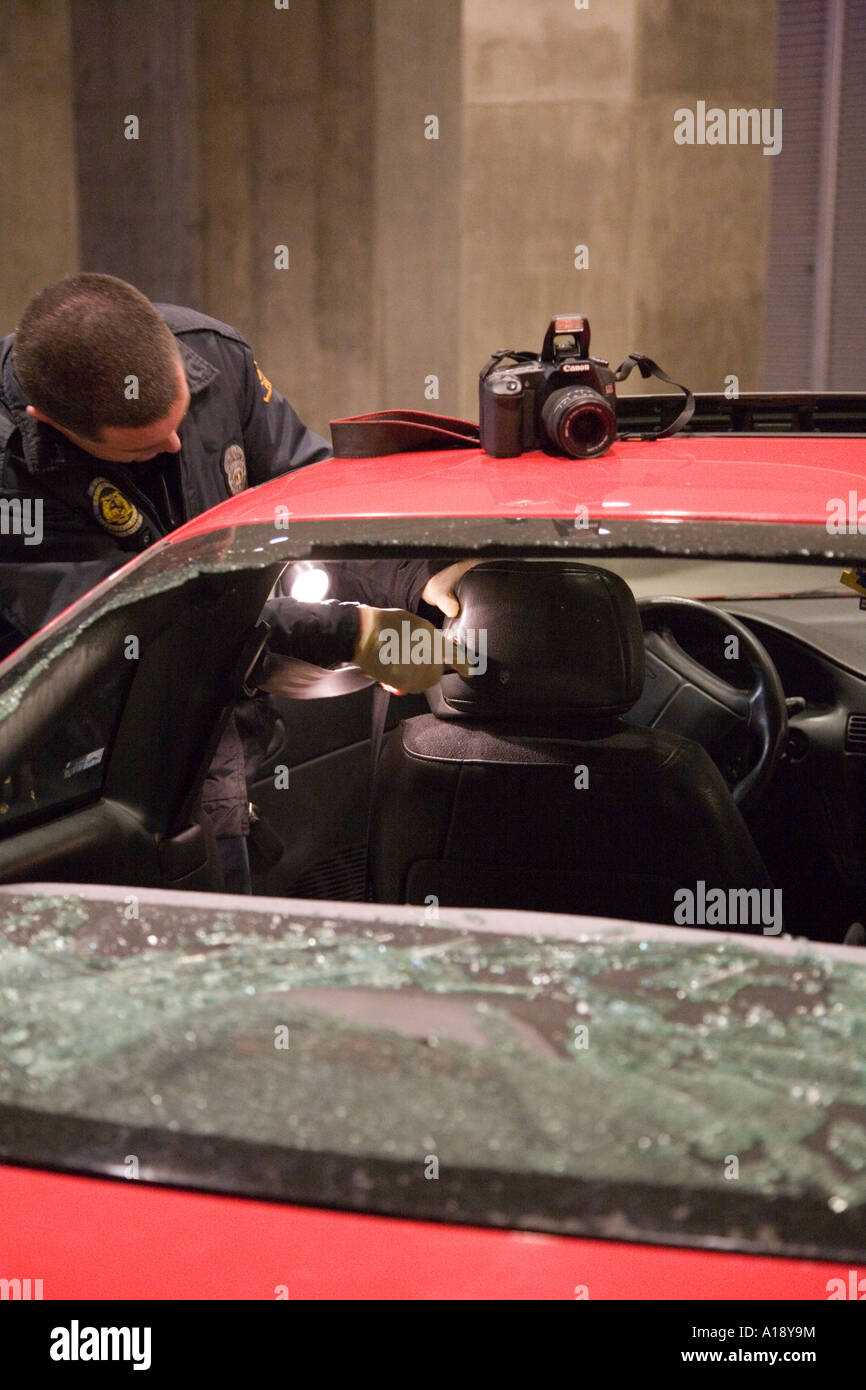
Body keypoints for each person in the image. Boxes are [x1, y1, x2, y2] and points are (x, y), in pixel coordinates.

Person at [0, 273, 475, 889]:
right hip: (99, 779)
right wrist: (351, 631)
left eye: (180, 419)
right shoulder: (14, 471)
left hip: (235, 732)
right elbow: (138, 617)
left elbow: (306, 500)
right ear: (51, 423)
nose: (176, 445)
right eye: (141, 450)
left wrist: (415, 576)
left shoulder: (215, 359)